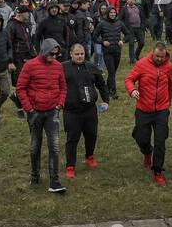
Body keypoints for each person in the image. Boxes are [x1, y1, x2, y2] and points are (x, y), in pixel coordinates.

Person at [17, 37, 67, 192]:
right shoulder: (30, 66)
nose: (54, 57)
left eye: (56, 54)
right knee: (35, 146)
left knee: (54, 146)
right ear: (44, 51)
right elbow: (20, 88)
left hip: (53, 111)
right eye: (51, 54)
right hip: (35, 112)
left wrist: (60, 104)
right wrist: (29, 109)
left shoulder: (58, 66)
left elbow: (63, 87)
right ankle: (35, 175)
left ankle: (55, 181)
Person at [125, 41, 172, 187]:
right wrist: (132, 90)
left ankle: (158, 171)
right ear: (152, 53)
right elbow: (129, 79)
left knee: (160, 140)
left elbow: (171, 85)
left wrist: (168, 103)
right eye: (157, 56)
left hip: (161, 110)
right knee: (141, 137)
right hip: (143, 109)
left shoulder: (169, 66)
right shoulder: (142, 64)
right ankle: (147, 152)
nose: (160, 59)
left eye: (162, 56)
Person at [62, 42, 109, 180]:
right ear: (71, 54)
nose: (79, 56)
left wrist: (105, 100)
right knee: (72, 139)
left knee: (91, 135)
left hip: (90, 110)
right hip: (71, 111)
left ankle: (90, 156)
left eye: (82, 54)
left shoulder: (91, 67)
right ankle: (70, 166)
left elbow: (101, 84)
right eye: (76, 54)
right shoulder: (62, 68)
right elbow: (53, 84)